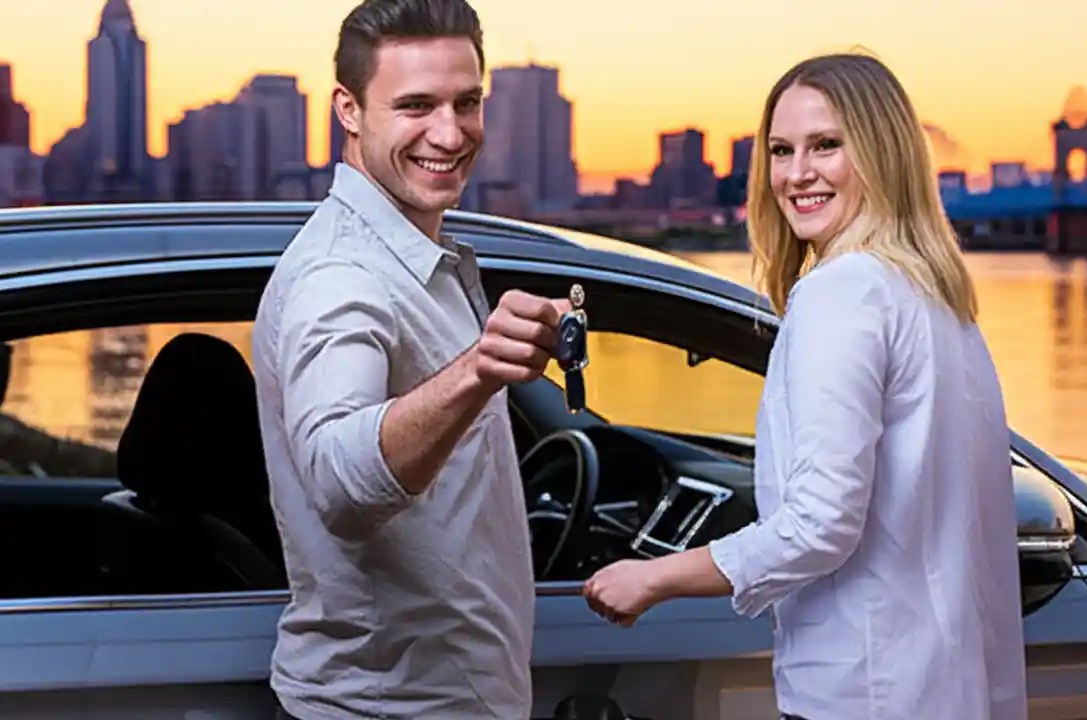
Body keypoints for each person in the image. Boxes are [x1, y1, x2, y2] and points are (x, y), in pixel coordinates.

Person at [583, 52, 1028, 720]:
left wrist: (653, 577)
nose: (796, 175)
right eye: (781, 151)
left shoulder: (842, 293)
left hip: (863, 694)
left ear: (883, 154)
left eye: (826, 146)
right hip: (949, 691)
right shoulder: (939, 300)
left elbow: (821, 524)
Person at [252, 1, 572, 717]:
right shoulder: (342, 279)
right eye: (416, 106)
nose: (450, 134)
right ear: (349, 110)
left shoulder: (414, 259)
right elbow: (340, 482)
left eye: (467, 103)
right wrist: (479, 369)